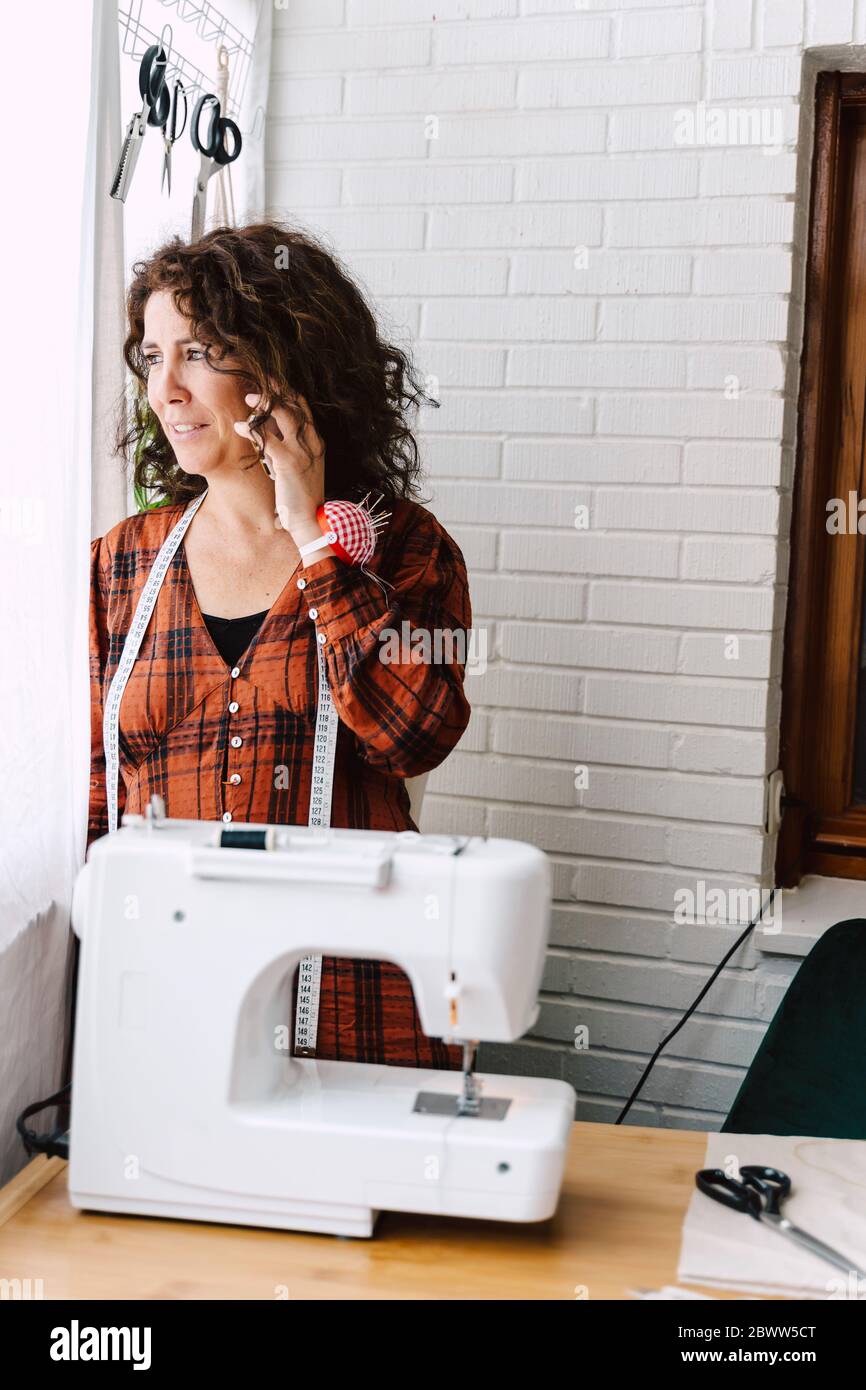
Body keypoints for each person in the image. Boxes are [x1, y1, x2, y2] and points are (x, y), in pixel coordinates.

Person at [88, 221, 473, 1070]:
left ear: (281, 366)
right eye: (153, 357)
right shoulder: (122, 563)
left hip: (356, 1009)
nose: (166, 390)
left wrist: (311, 537)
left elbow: (416, 737)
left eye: (199, 352)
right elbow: (99, 803)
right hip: (174, 1006)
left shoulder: (406, 549)